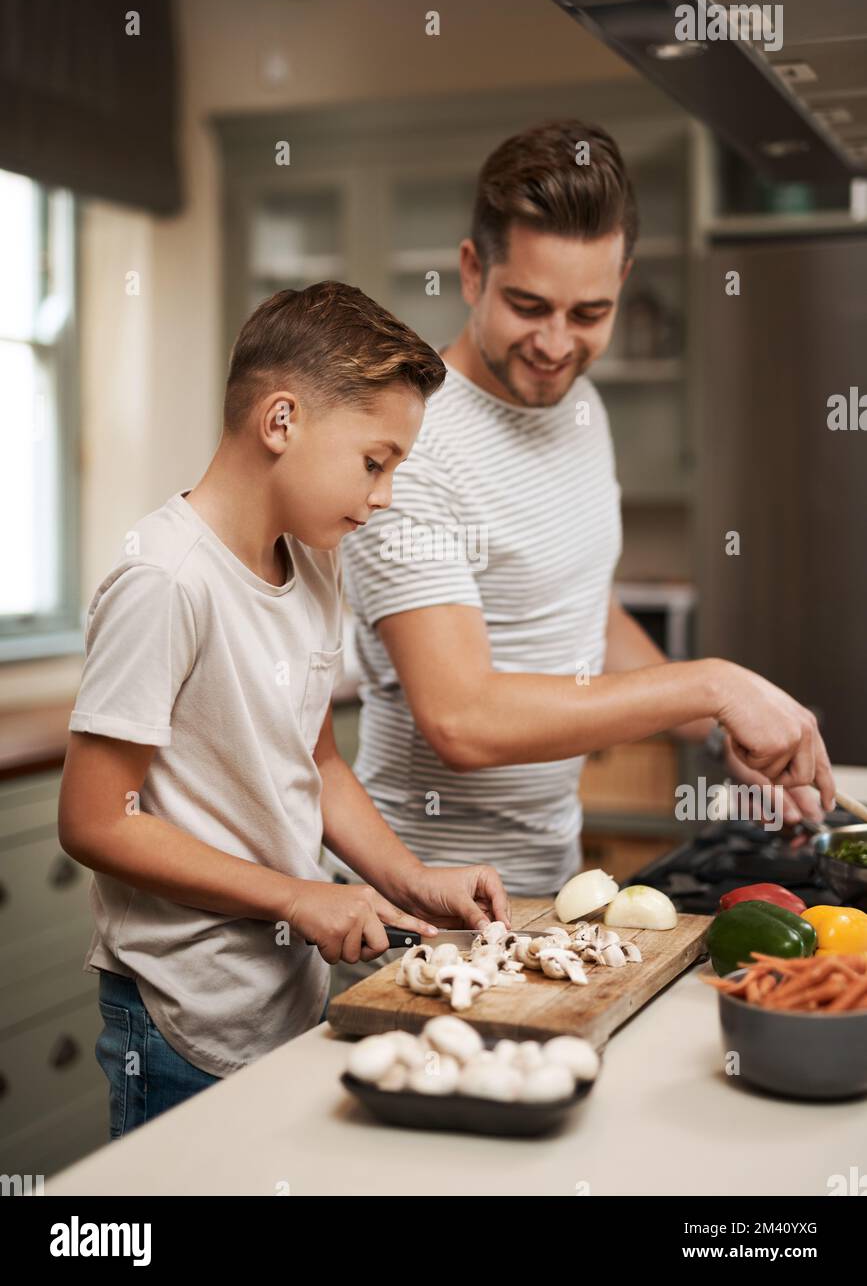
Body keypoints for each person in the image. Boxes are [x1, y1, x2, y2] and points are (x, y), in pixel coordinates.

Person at [333, 119, 834, 980]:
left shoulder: (579, 411)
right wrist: (713, 681)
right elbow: (461, 717)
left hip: (550, 898)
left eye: (588, 312)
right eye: (527, 305)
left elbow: (581, 619)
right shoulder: (412, 444)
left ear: (622, 284)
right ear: (469, 271)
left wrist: (723, 731)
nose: (557, 343)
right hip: (419, 919)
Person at [58, 281, 510, 1136]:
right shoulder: (166, 580)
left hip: (285, 999)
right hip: (178, 1019)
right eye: (374, 461)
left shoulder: (312, 563)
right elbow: (94, 823)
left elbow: (317, 762)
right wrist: (298, 899)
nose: (382, 495)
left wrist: (410, 881)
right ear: (281, 422)